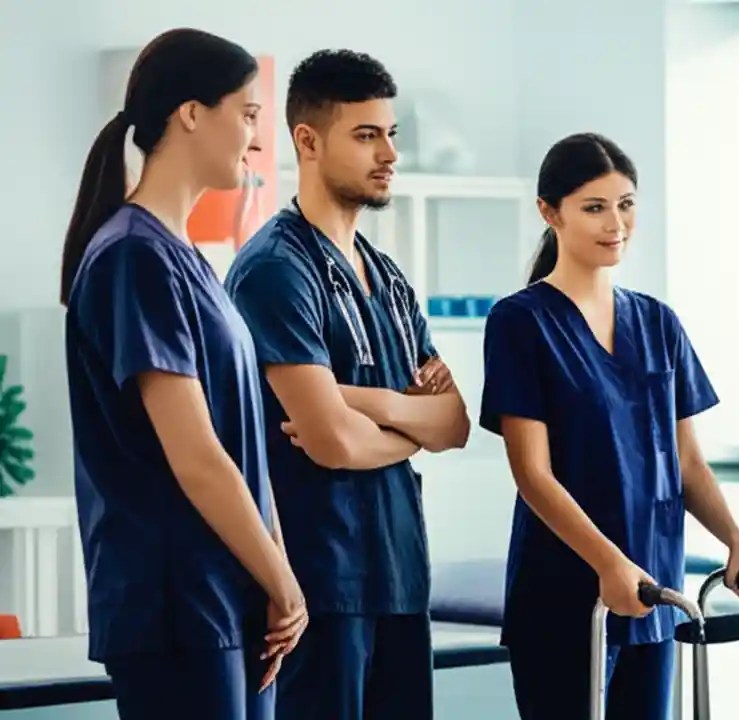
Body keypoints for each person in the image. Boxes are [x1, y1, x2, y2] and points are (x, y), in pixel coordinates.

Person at [479, 132, 739, 719]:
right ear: (549, 211)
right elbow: (532, 475)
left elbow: (686, 463)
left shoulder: (658, 322)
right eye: (595, 207)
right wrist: (607, 564)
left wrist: (737, 541)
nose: (616, 222)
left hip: (653, 592)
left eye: (626, 203)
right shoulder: (520, 322)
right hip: (565, 594)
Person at [61, 28, 308, 720]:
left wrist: (274, 574)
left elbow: (243, 445)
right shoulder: (131, 258)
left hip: (233, 603)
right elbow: (197, 456)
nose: (258, 138)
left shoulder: (188, 259)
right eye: (249, 113)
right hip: (179, 608)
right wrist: (283, 580)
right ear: (192, 113)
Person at [223, 49, 470, 720]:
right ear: (307, 141)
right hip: (320, 589)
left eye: (391, 134)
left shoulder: (387, 277)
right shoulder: (276, 271)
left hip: (399, 580)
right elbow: (329, 441)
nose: (388, 152)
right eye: (366, 135)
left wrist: (367, 404)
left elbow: (454, 424)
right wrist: (405, 424)